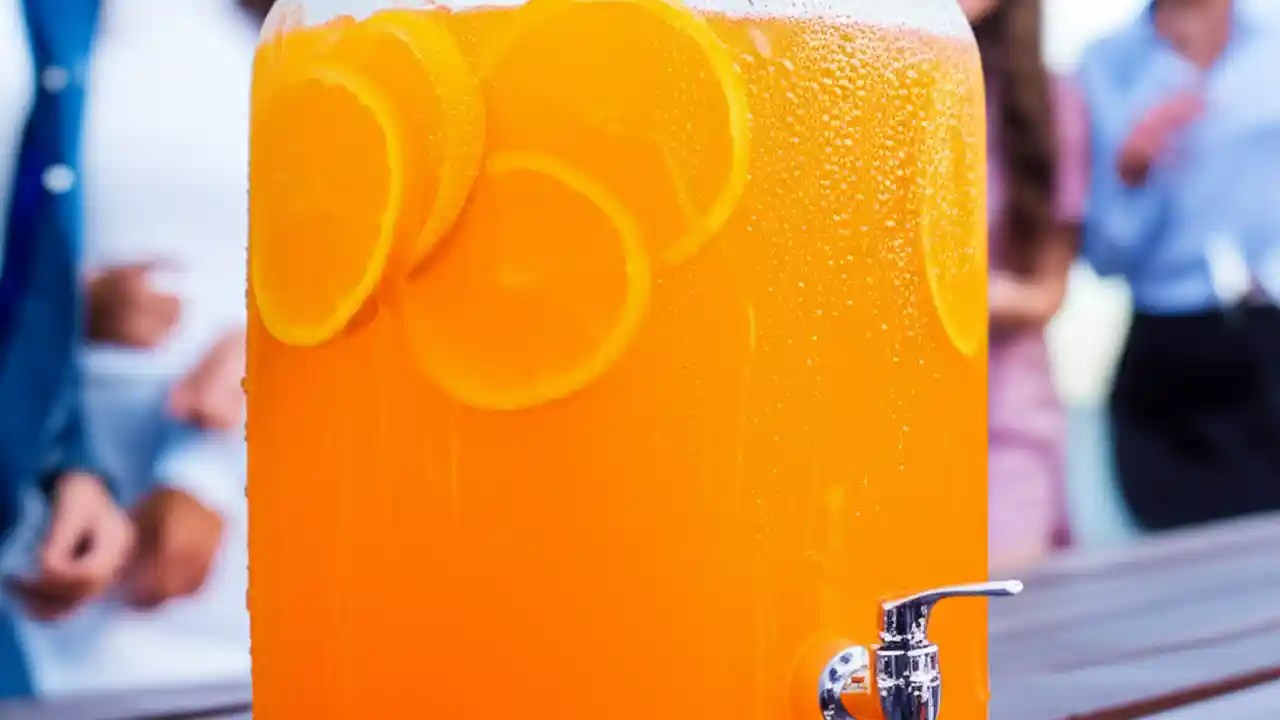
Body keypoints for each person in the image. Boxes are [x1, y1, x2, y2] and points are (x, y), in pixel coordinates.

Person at [0, 0, 267, 694]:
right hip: (59, 557)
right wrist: (64, 309)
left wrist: (210, 471)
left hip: (243, 544)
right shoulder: (44, 32)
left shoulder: (277, 31)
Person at [1079, 0, 1280, 531]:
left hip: (1267, 341)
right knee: (1170, 560)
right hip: (1163, 350)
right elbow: (1104, 256)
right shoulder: (1105, 63)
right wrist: (1132, 172)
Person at [956, 0, 1089, 572]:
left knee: (1005, 612)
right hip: (889, 414)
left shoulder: (1051, 103)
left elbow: (1046, 293)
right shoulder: (875, 84)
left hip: (1005, 415)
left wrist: (945, 294)